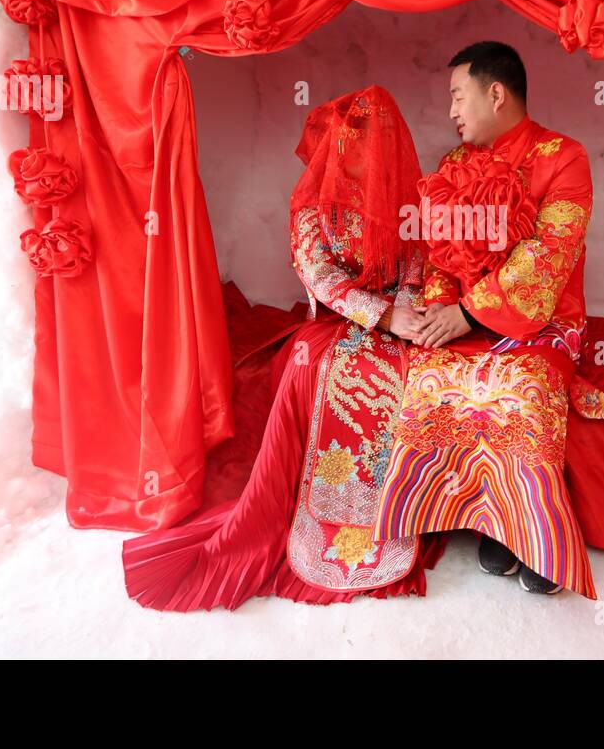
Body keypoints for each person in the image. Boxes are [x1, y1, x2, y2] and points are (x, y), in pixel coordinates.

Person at [122, 84, 445, 610]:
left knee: (420, 370)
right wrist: (381, 315)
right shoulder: (314, 203)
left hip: (397, 322)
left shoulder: (406, 198)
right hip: (338, 320)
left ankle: (403, 510)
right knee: (316, 368)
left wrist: (406, 311)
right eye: (364, 143)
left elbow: (414, 266)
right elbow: (317, 274)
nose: (377, 153)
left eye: (386, 141)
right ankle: (318, 519)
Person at [371, 41, 604, 597]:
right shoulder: (453, 165)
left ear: (495, 93)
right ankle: (484, 518)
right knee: (433, 380)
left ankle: (531, 534)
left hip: (541, 321)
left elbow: (549, 255)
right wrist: (437, 313)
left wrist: (469, 311)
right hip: (463, 318)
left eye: (457, 95)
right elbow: (439, 252)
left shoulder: (564, 156)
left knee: (522, 388)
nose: (451, 110)